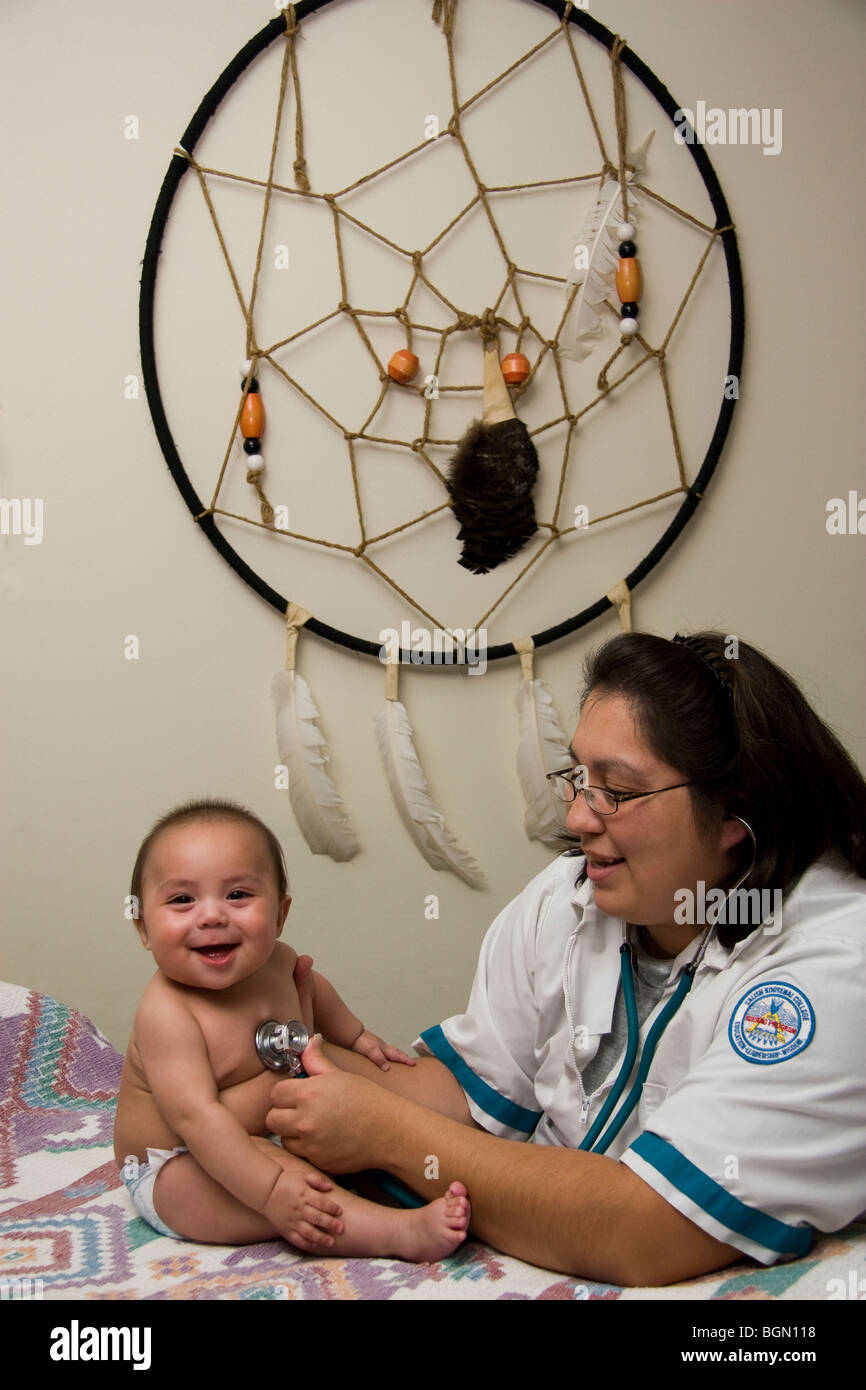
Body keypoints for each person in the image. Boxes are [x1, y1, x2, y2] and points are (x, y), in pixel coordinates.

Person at [265, 631, 866, 1287]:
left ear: (736, 811)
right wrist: (283, 1052)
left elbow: (641, 1233)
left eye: (616, 790)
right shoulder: (569, 896)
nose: (579, 817)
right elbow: (469, 1096)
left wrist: (386, 1134)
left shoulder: (835, 966)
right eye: (578, 779)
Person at [113, 800, 470, 1259]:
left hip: (261, 1134)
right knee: (289, 1191)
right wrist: (272, 1191)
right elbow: (197, 1120)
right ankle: (392, 1233)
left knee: (353, 1135)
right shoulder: (168, 1014)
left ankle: (402, 1188)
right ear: (143, 927)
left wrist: (358, 1037)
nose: (211, 916)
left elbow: (313, 989)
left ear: (280, 915)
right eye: (182, 899)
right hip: (175, 1162)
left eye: (238, 895)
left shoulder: (278, 962)